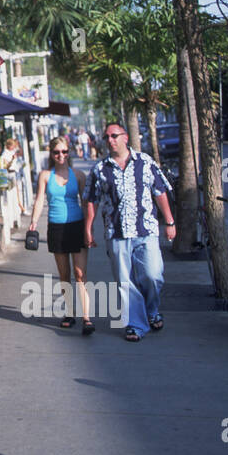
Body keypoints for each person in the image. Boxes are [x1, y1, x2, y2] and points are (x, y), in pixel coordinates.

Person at [84, 122, 176, 341]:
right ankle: (135, 324)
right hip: (116, 233)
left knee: (153, 275)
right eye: (106, 137)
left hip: (147, 229)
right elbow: (91, 200)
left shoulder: (145, 162)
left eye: (114, 136)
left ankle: (152, 311)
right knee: (126, 282)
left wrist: (170, 222)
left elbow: (160, 191)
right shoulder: (100, 169)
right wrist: (88, 229)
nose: (110, 140)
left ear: (125, 137)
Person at [27, 136, 92, 334]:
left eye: (64, 152)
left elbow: (85, 202)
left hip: (77, 226)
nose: (61, 155)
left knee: (80, 274)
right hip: (56, 227)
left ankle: (87, 317)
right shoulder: (45, 175)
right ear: (52, 154)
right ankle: (70, 312)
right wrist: (33, 221)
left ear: (69, 152)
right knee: (65, 275)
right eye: (57, 152)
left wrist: (89, 229)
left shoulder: (78, 175)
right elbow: (39, 200)